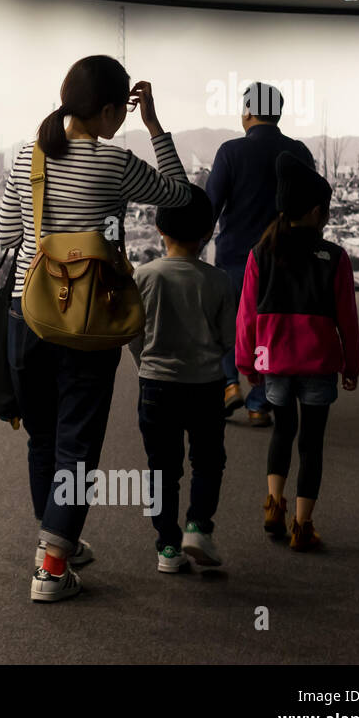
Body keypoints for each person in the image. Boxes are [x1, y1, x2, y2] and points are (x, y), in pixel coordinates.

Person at [0, 55, 192, 602]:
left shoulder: (27, 157)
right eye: (121, 113)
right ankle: (52, 567)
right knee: (77, 442)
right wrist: (156, 127)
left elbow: (7, 232)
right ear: (109, 109)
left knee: (43, 435)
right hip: (89, 317)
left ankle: (55, 536)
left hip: (27, 313)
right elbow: (181, 196)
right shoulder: (115, 162)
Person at [237, 152, 359, 552]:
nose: (327, 217)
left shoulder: (261, 253)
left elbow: (247, 315)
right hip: (319, 362)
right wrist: (351, 364)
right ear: (312, 211)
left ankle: (273, 503)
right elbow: (348, 319)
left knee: (283, 430)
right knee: (311, 442)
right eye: (324, 210)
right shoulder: (335, 257)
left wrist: (248, 362)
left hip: (273, 361)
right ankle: (302, 526)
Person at [128, 186, 233, 573]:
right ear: (207, 232)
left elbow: (133, 335)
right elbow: (228, 340)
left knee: (161, 467)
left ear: (158, 227)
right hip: (205, 386)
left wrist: (147, 363)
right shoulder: (218, 280)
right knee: (208, 461)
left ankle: (167, 547)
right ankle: (197, 527)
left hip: (155, 385)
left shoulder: (144, 275)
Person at [206, 82, 315, 427]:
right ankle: (258, 403)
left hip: (237, 256)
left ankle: (228, 385)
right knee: (271, 330)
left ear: (249, 112)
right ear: (277, 114)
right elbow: (312, 208)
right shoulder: (299, 151)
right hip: (285, 259)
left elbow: (211, 206)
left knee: (226, 323)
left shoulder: (230, 152)